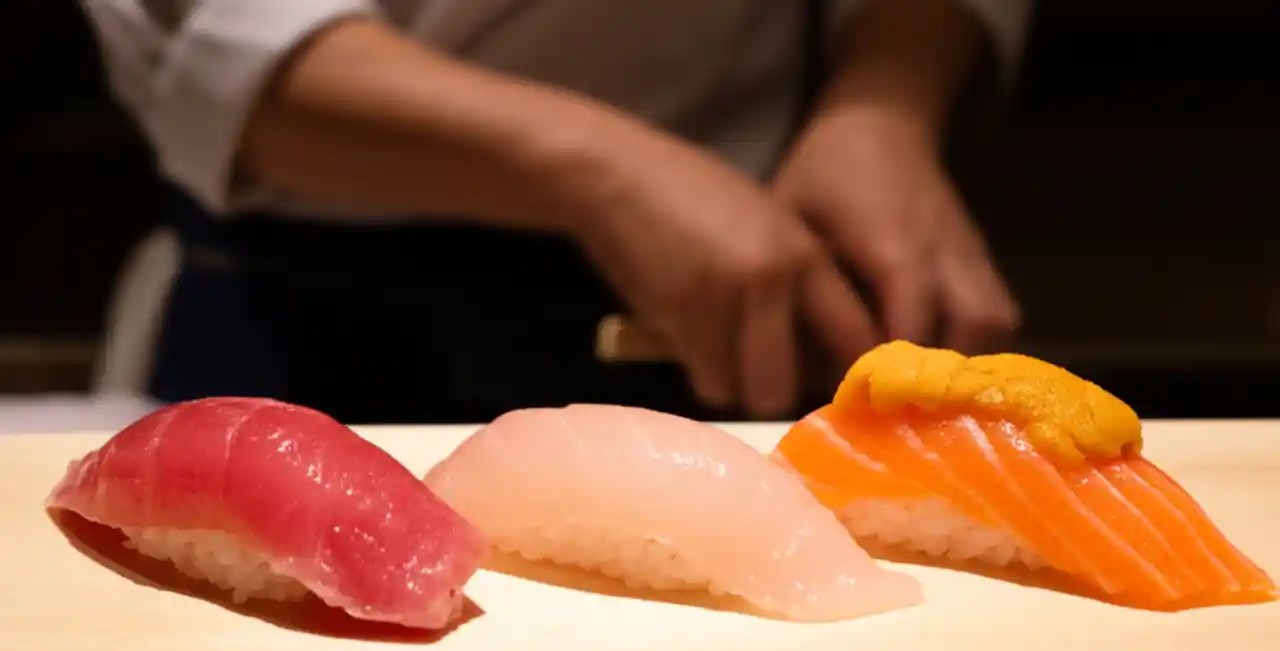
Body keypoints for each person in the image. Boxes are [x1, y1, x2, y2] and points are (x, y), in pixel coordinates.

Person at [80, 0, 1029, 424]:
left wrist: (886, 102)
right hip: (305, 330)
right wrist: (605, 171)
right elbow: (215, 47)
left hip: (742, 315)